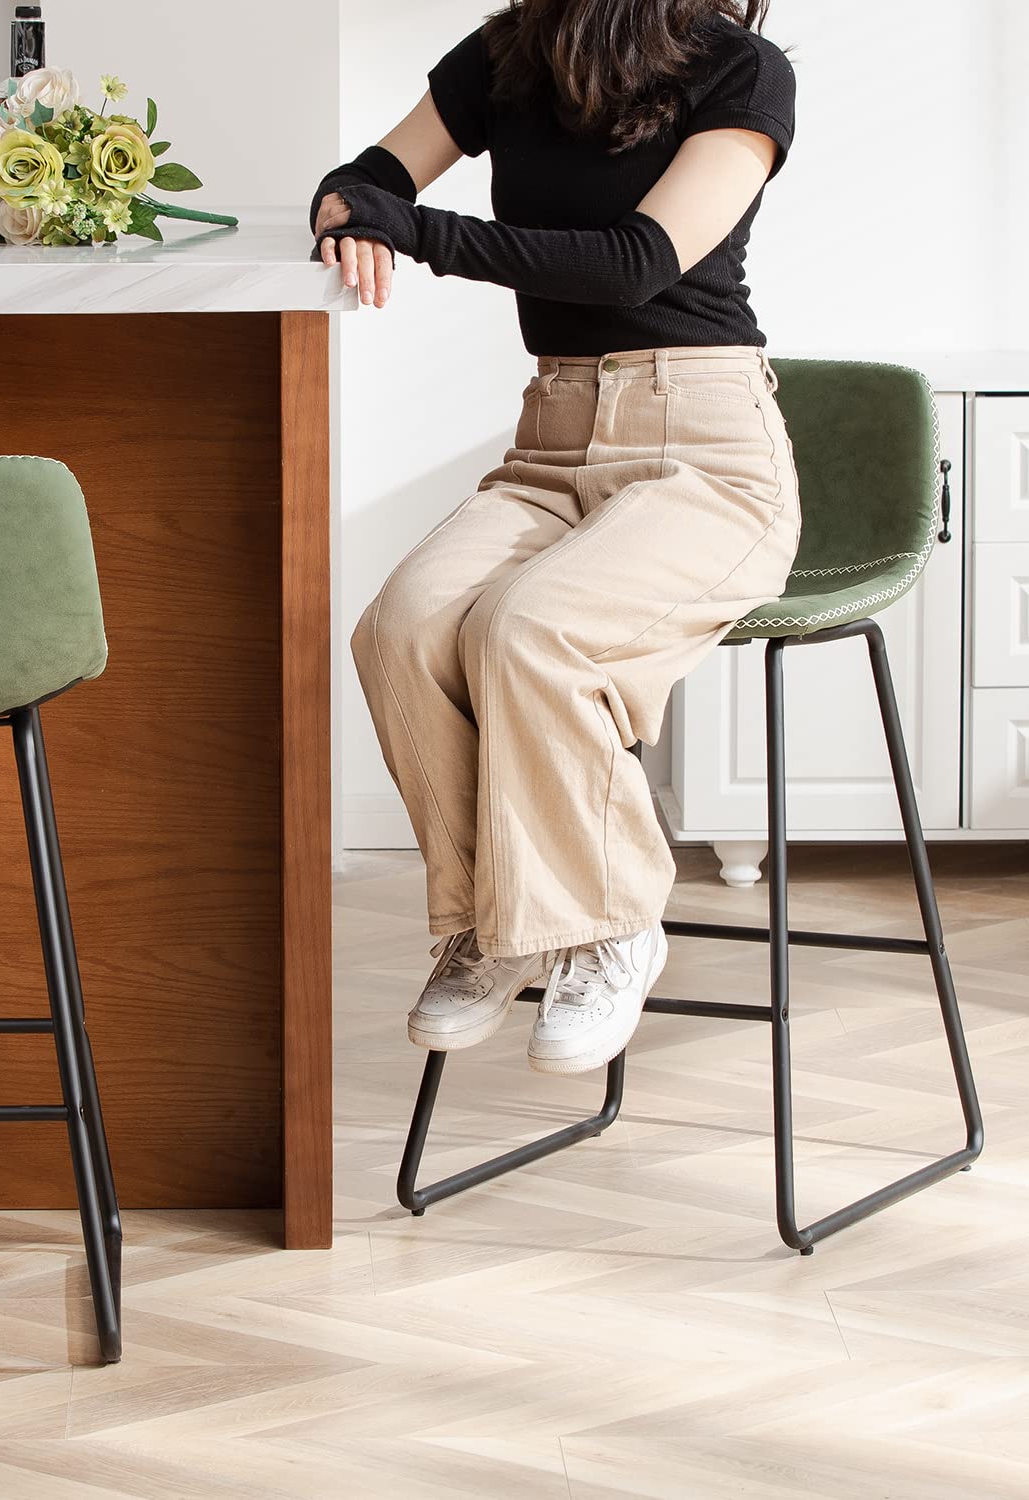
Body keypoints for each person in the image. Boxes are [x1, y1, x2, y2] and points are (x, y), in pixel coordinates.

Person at [312, 0, 799, 1074]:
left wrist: (420, 236)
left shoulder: (742, 73)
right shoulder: (506, 55)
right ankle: (494, 923)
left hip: (705, 454)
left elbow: (638, 263)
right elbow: (371, 174)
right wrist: (348, 209)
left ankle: (611, 920)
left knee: (530, 633)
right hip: (552, 441)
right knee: (399, 629)